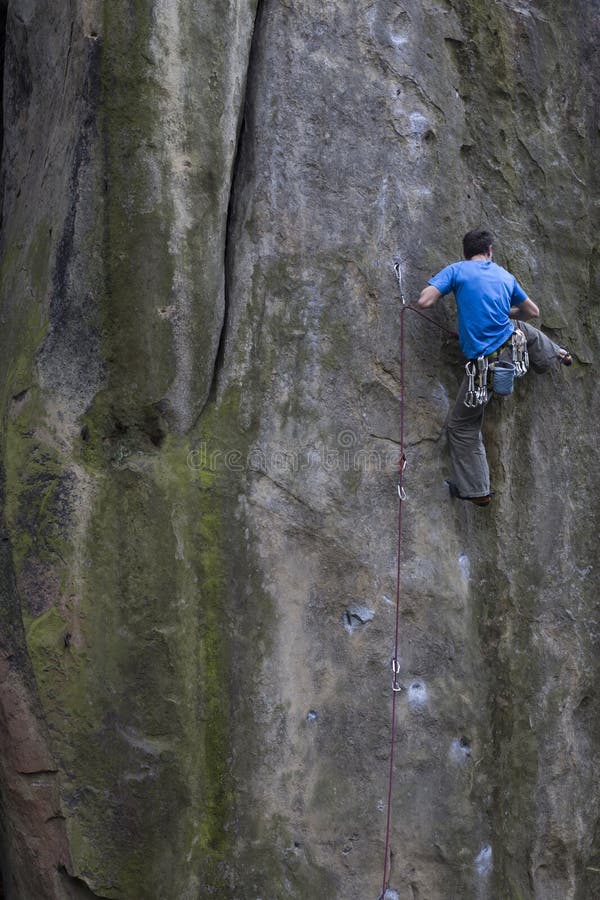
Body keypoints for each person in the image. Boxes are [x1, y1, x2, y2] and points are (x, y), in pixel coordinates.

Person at [418, 228, 571, 507]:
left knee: (462, 426)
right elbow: (532, 312)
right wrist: (504, 312)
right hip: (513, 349)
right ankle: (556, 355)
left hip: (485, 366)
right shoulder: (504, 275)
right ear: (489, 250)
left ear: (466, 253)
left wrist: (437, 290)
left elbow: (425, 301)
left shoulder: (457, 271)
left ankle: (478, 491)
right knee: (519, 326)